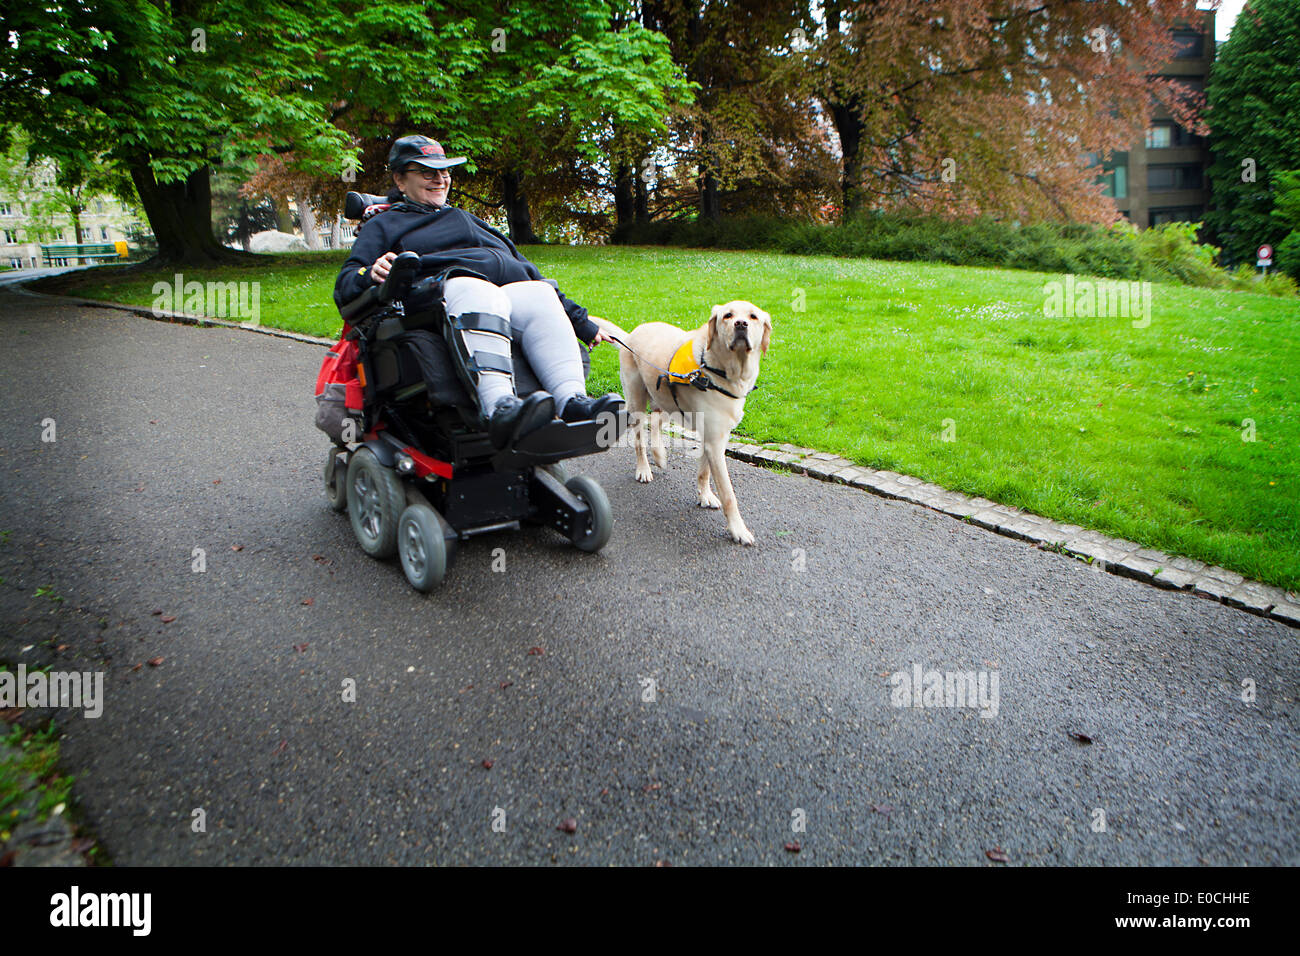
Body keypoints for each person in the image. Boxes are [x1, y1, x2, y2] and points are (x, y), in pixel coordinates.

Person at [333, 134, 623, 449]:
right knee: (478, 290)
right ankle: (500, 407)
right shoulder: (384, 225)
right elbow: (346, 283)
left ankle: (572, 401)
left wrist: (583, 323)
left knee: (538, 293)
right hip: (435, 301)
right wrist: (370, 274)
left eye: (444, 172)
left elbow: (528, 271)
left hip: (494, 300)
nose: (440, 179)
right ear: (400, 180)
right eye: (427, 172)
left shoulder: (466, 219)